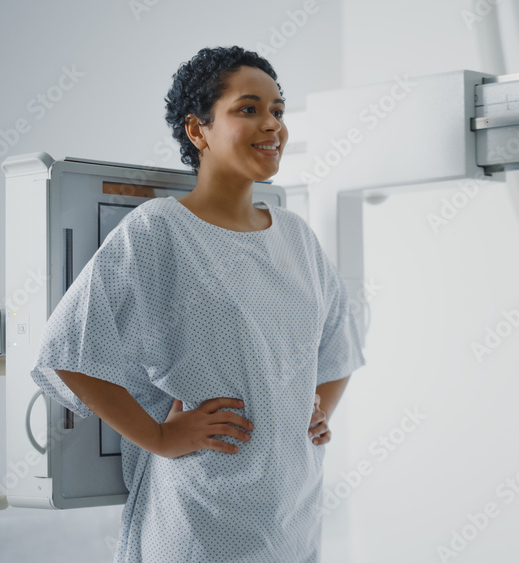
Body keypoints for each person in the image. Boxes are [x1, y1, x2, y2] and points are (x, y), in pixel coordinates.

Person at [29, 45, 366, 562]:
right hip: (200, 515)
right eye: (248, 109)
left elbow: (338, 340)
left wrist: (318, 406)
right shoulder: (160, 231)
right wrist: (160, 438)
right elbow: (70, 349)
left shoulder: (296, 237)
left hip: (292, 514)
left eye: (277, 110)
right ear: (197, 130)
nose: (271, 124)